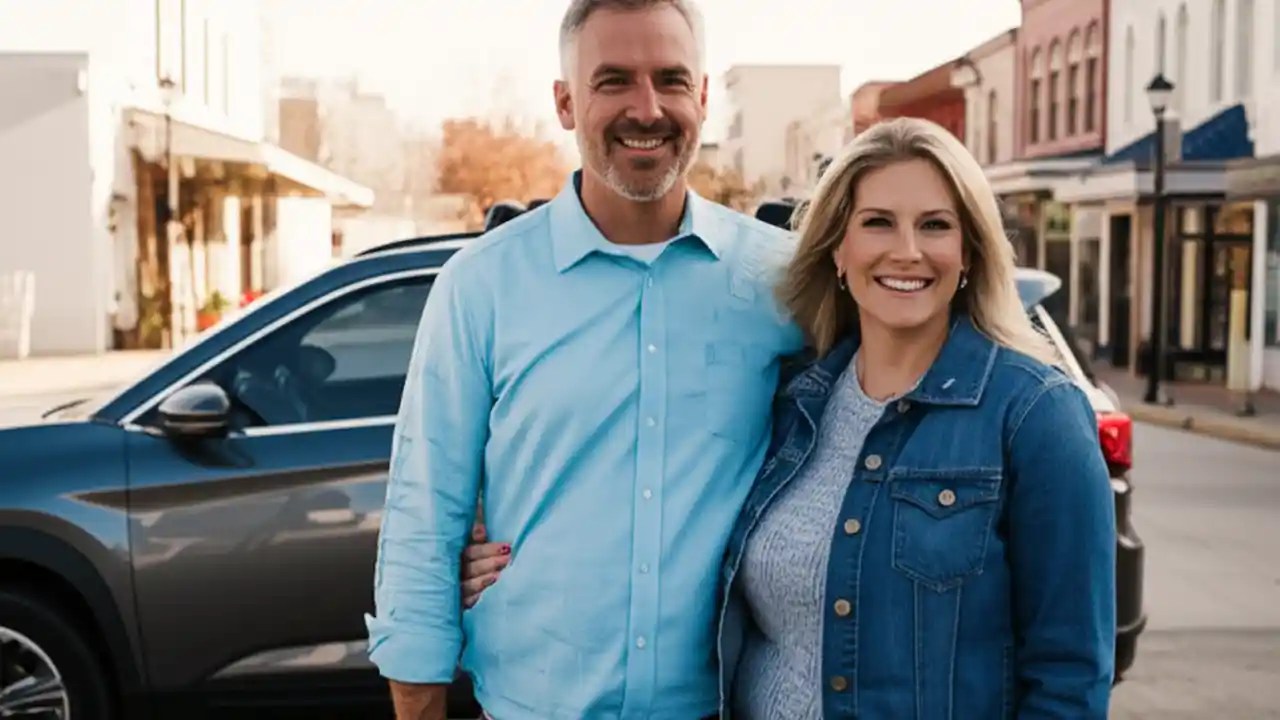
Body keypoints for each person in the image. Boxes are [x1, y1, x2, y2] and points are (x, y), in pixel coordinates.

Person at [463, 117, 1118, 718]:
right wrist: (510, 549)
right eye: (879, 222)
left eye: (937, 225)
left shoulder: (1035, 416)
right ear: (838, 249)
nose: (908, 251)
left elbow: (1069, 677)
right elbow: (663, 501)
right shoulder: (796, 403)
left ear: (971, 251)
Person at [364, 0, 802, 718]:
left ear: (702, 96)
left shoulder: (783, 280)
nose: (647, 107)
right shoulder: (481, 286)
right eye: (613, 81)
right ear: (566, 103)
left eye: (669, 78)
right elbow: (424, 515)